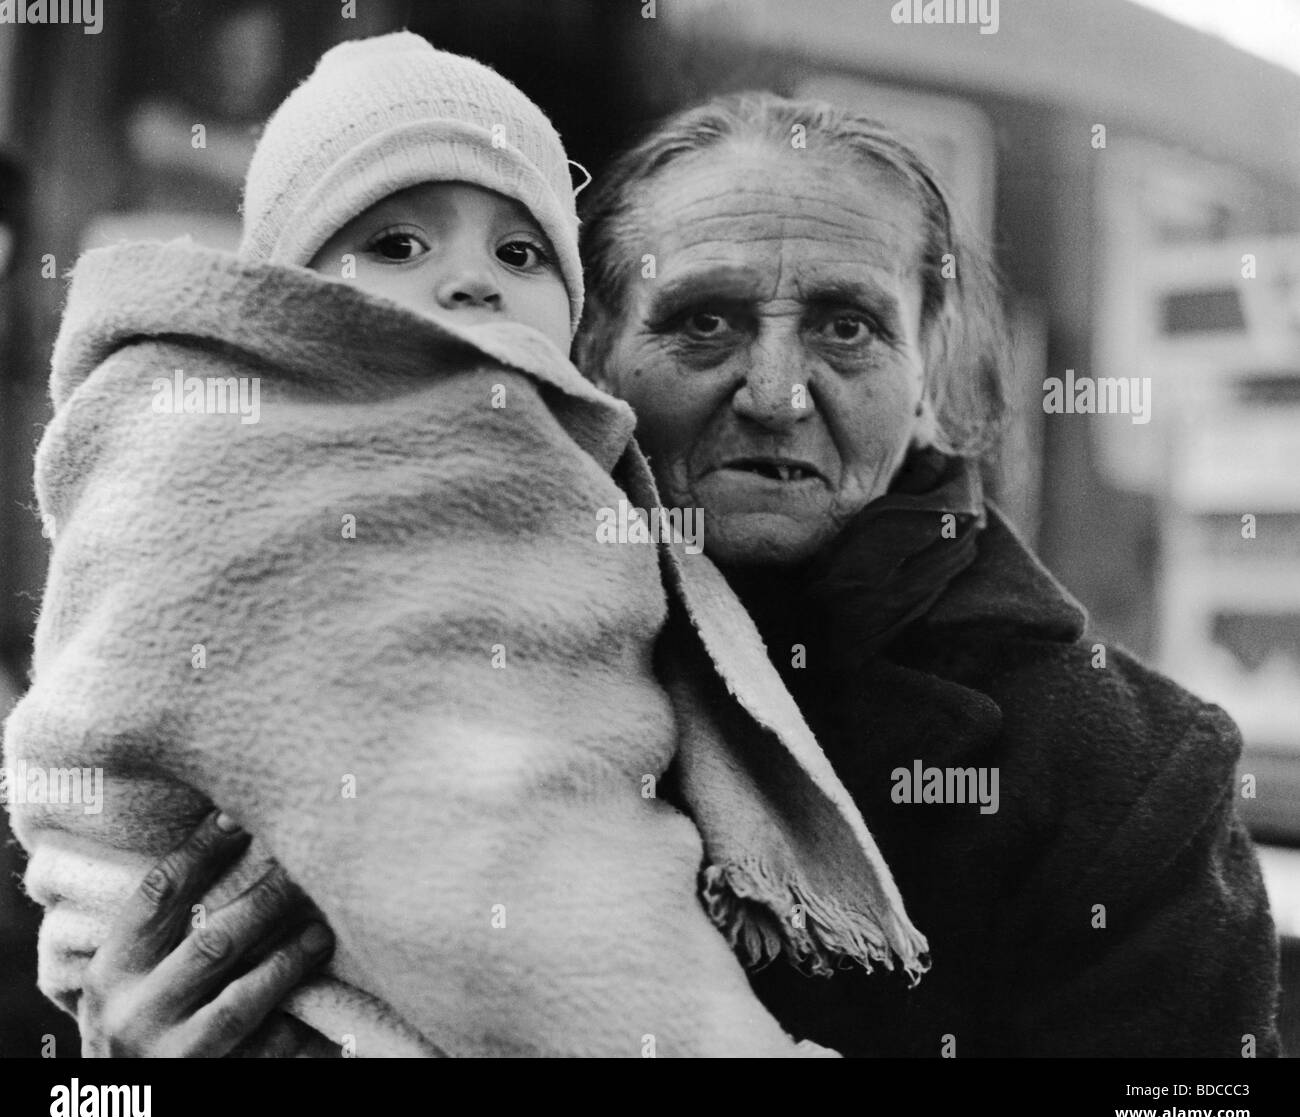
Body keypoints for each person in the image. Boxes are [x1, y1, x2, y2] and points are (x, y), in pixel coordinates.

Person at [67, 89, 1281, 1058]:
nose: (774, 390)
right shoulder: (362, 629)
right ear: (584, 351)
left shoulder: (1134, 770)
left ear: (936, 378)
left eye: (847, 326)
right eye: (700, 321)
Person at [5, 36, 926, 1059]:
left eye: (520, 252)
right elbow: (488, 847)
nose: (472, 282)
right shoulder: (239, 465)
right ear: (283, 304)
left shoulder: (1044, 739)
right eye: (395, 244)